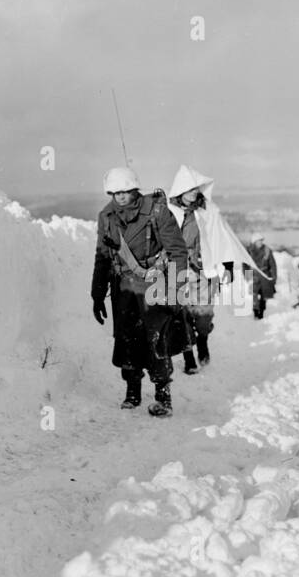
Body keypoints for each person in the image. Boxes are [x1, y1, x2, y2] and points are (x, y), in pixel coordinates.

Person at [91, 167, 189, 415]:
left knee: (156, 338)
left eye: (124, 191)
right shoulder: (107, 216)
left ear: (134, 189)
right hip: (123, 286)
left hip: (154, 283)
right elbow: (102, 257)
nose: (120, 197)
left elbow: (177, 251)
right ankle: (132, 390)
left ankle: (162, 394)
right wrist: (97, 293)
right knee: (126, 340)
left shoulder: (157, 211)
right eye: (114, 193)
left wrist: (176, 288)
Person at [166, 165, 259, 371]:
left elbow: (222, 238)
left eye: (195, 189)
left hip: (203, 271)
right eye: (189, 189)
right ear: (180, 189)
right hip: (176, 271)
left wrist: (226, 265)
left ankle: (203, 340)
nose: (193, 193)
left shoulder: (207, 210)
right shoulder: (168, 212)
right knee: (181, 315)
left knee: (203, 317)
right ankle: (188, 355)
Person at [246, 232, 277, 320]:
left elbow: (273, 265)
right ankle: (255, 312)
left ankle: (262, 312)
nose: (261, 242)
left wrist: (274, 277)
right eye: (258, 241)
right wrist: (248, 277)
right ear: (254, 242)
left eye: (261, 241)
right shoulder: (249, 251)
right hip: (254, 275)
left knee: (264, 296)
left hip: (265, 275)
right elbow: (245, 264)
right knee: (254, 295)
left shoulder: (267, 250)